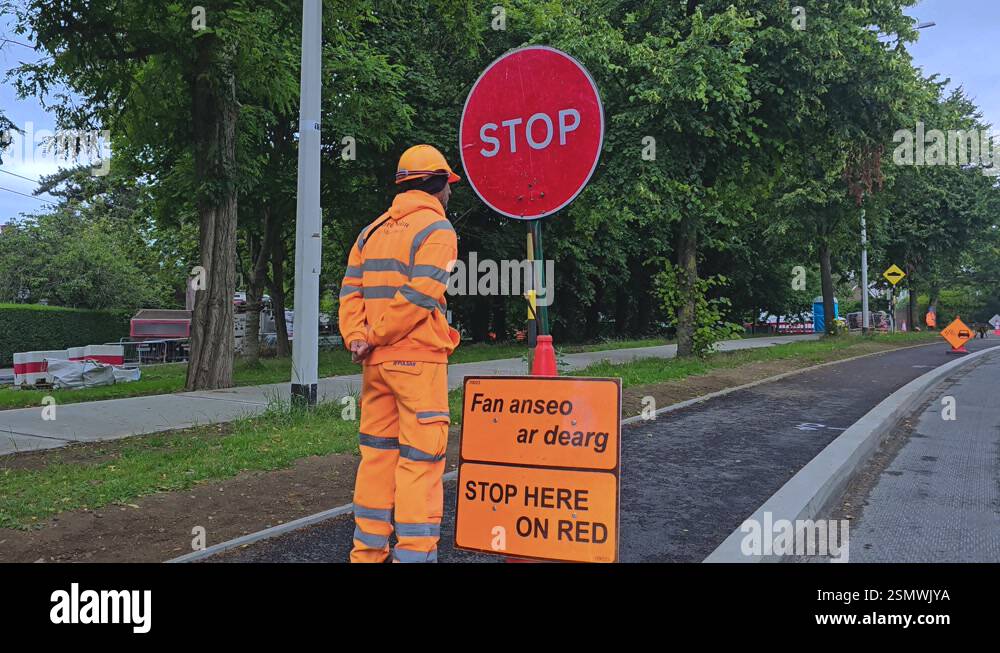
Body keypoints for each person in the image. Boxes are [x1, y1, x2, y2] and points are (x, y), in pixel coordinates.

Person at [338, 144, 462, 563]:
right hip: (418, 363)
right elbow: (420, 295)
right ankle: (415, 555)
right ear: (440, 184)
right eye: (449, 186)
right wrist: (374, 335)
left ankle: (367, 555)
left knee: (376, 458)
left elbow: (350, 292)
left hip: (375, 367)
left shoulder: (369, 232)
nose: (450, 194)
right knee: (420, 461)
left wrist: (357, 336)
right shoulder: (438, 231)